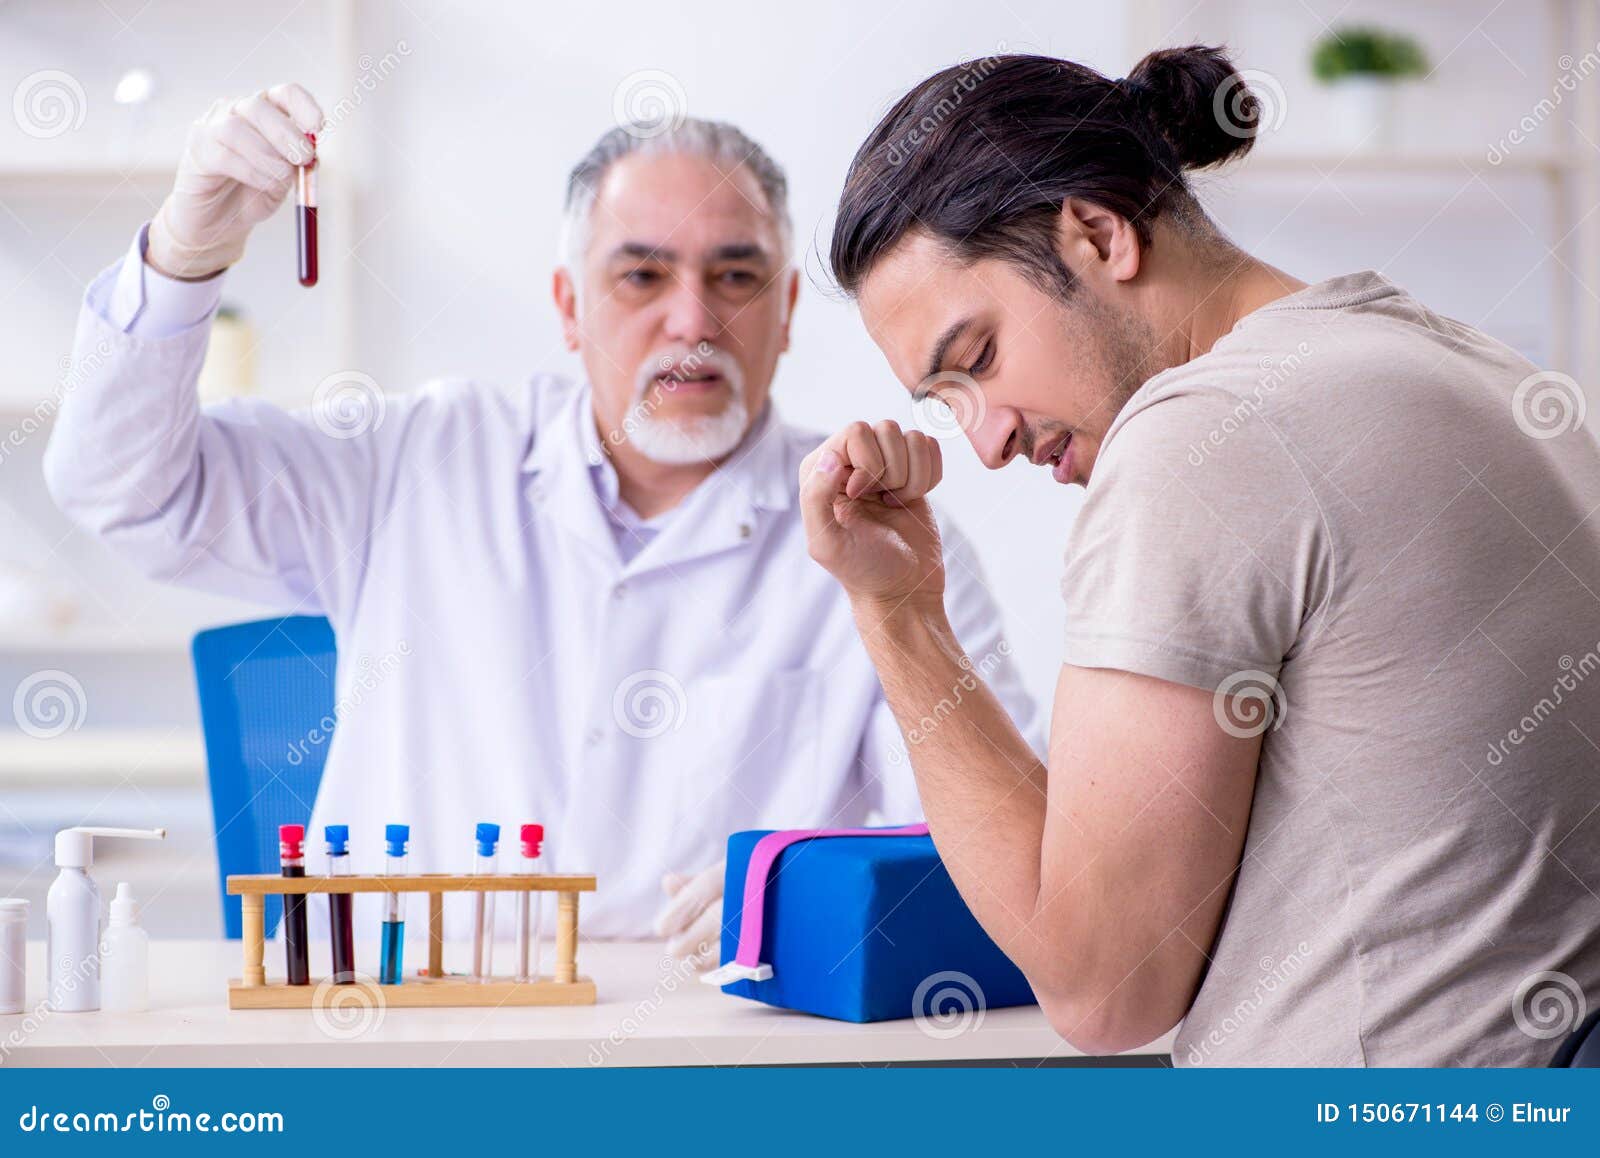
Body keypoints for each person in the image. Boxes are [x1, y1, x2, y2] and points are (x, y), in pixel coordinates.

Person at [42, 85, 1038, 957]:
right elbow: (120, 487)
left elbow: (1001, 856)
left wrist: (805, 888)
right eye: (641, 276)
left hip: (708, 1051)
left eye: (733, 278)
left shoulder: (883, 537)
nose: (691, 320)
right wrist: (183, 253)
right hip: (406, 1040)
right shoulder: (410, 459)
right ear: (568, 307)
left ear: (784, 310)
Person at [799, 45, 1600, 1064]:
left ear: (1094, 233)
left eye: (979, 360)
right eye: (942, 403)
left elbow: (1101, 989)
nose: (987, 439)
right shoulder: (1475, 369)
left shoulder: (1206, 435)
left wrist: (898, 615)